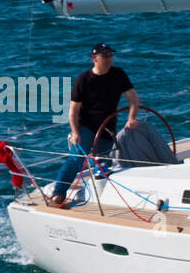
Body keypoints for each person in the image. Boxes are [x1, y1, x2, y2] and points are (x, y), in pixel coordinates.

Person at [48, 43, 140, 207]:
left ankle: (104, 197)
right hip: (86, 127)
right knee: (76, 159)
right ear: (94, 58)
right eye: (105, 56)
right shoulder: (84, 80)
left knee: (104, 164)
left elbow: (133, 99)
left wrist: (131, 118)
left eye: (110, 55)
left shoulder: (118, 74)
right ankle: (59, 193)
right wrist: (75, 132)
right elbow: (73, 111)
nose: (109, 59)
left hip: (107, 127)